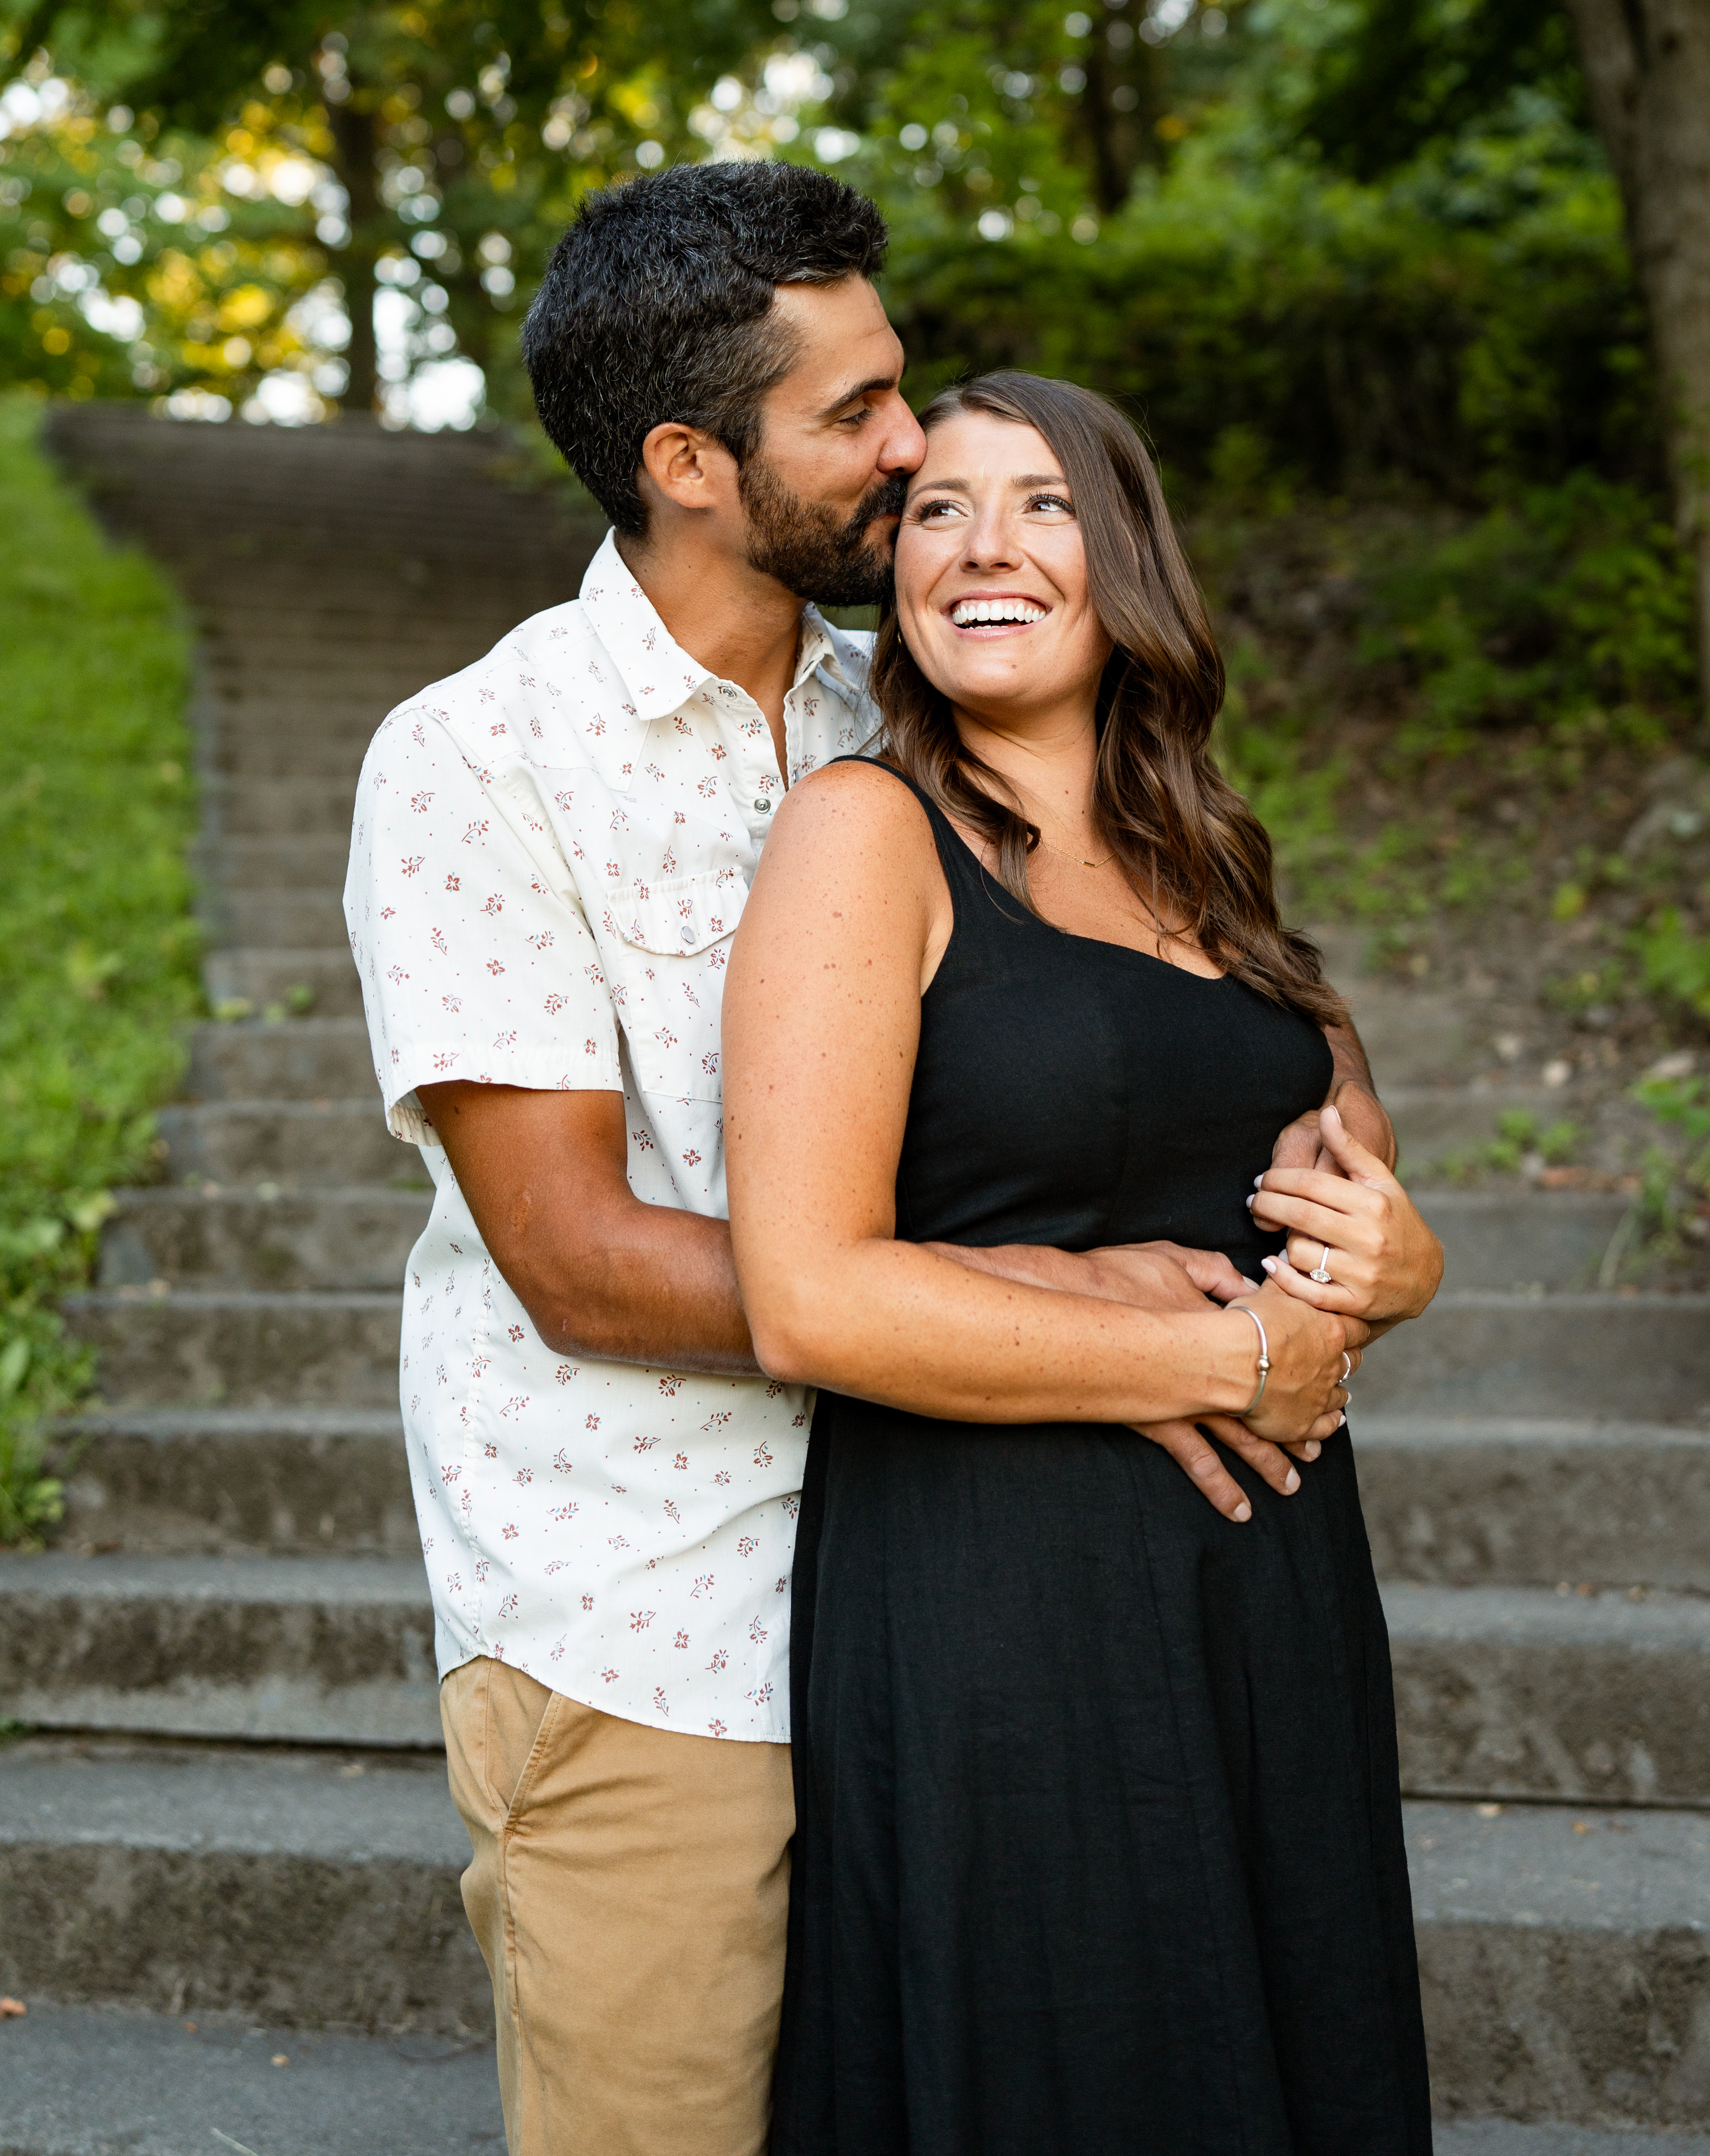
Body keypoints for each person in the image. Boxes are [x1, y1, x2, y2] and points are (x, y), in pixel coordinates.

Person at [346, 161, 1400, 2156]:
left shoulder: (902, 705)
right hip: (655, 1627)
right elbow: (573, 1258)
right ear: (689, 461)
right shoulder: (478, 760)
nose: (915, 448)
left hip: (958, 1572)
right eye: (859, 415)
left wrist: (1364, 1260)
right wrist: (1059, 1297)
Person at [722, 370, 1444, 2156]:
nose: (982, 544)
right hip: (1002, 1603)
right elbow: (806, 1292)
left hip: (1263, 1602)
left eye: (1041, 502)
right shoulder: (863, 832)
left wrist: (1400, 1267)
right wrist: (1231, 1364)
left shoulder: (1213, 862)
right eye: (939, 508)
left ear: (1125, 558)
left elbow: (1340, 1171)